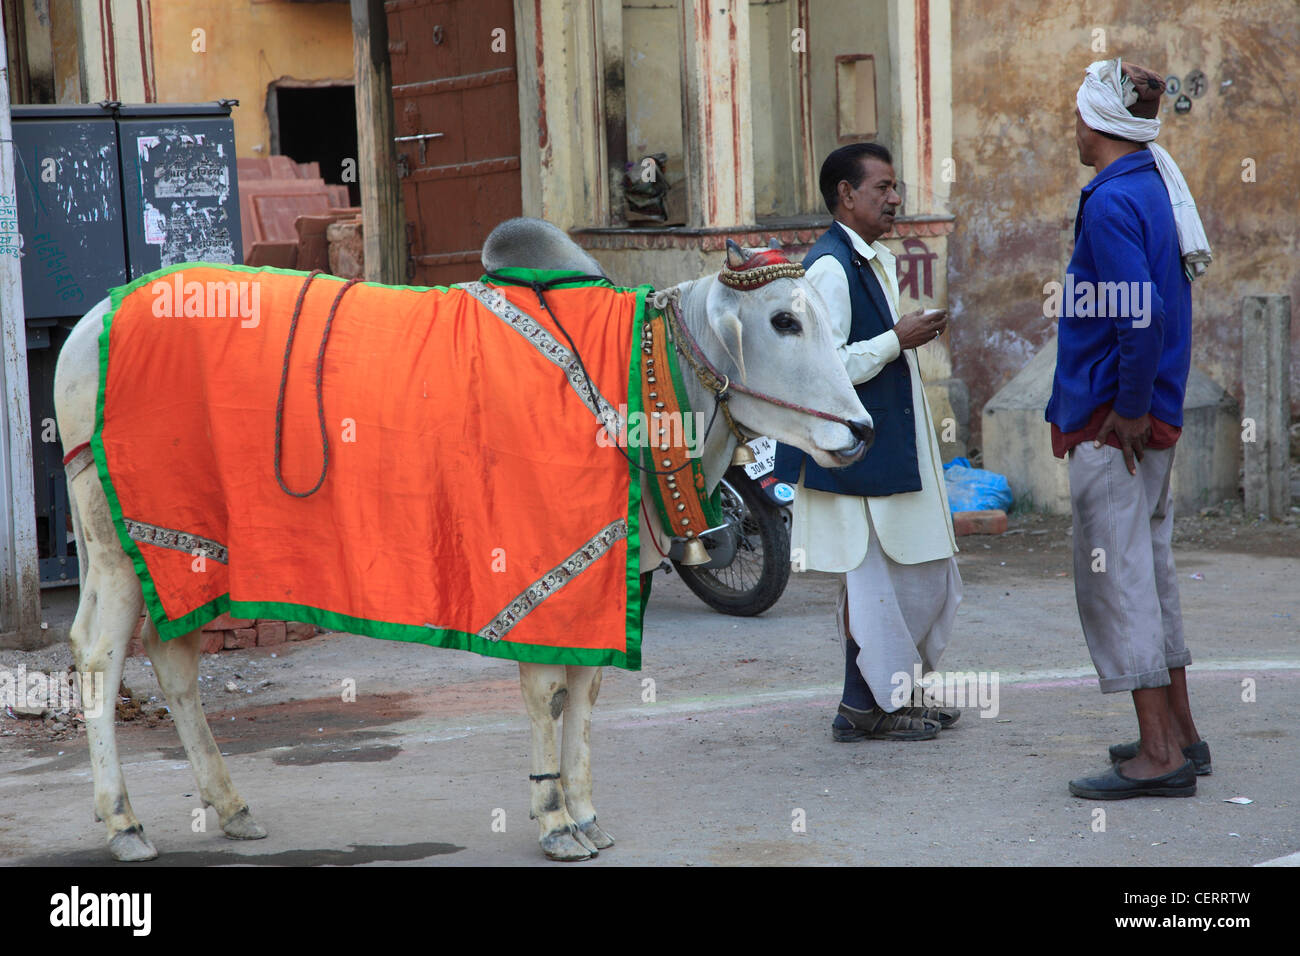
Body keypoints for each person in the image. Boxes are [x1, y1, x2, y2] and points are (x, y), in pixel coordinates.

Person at [1047, 58, 1213, 799]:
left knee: (1117, 583)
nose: (1073, 128)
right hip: (1148, 416)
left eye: (1078, 115)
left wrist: (1131, 409)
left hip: (1118, 423)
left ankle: (1158, 754)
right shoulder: (1151, 181)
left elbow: (1135, 317)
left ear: (1097, 123)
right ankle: (1182, 732)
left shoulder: (1112, 201)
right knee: (1151, 570)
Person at [773, 143, 962, 742]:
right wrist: (895, 340)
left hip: (884, 449)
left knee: (920, 574)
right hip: (852, 460)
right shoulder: (829, 268)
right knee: (877, 581)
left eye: (895, 187)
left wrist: (899, 338)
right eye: (881, 188)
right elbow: (815, 370)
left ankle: (889, 695)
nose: (895, 198)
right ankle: (863, 708)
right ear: (845, 196)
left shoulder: (869, 256)